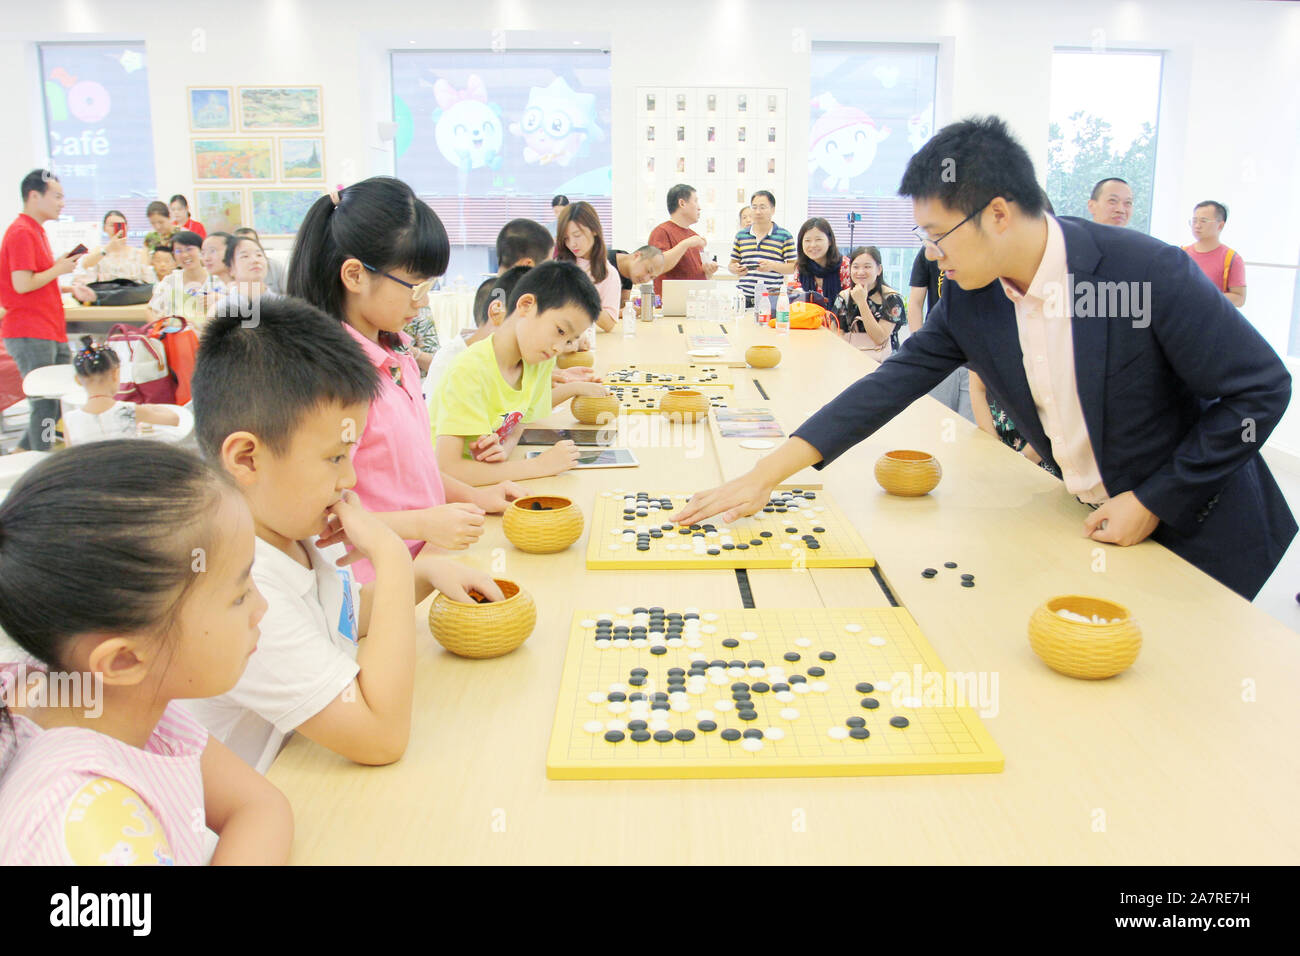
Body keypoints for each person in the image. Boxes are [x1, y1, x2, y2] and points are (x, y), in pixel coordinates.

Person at [674, 115, 1295, 601]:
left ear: (998, 213)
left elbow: (1261, 388)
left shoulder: (1142, 270)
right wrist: (763, 477)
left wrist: (1156, 498)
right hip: (1095, 525)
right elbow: (886, 387)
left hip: (1203, 528)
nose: (931, 255)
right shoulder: (973, 300)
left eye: (937, 236)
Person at [186, 299, 503, 773]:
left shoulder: (289, 524)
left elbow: (344, 617)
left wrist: (424, 572)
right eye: (335, 458)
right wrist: (394, 558)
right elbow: (380, 738)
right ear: (248, 458)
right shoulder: (237, 589)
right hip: (270, 802)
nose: (350, 479)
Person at [0, 442, 293, 864]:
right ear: (122, 660)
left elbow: (259, 806)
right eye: (239, 594)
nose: (260, 607)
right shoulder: (83, 824)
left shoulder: (115, 697)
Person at [286, 177, 526, 580]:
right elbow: (320, 520)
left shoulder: (397, 357)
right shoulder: (330, 381)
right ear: (355, 275)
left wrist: (475, 496)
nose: (425, 301)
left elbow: (414, 473)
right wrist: (423, 523)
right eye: (416, 287)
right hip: (378, 588)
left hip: (429, 560)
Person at [431, 260, 607, 485]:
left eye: (569, 340)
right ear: (526, 305)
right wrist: (539, 466)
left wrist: (505, 448)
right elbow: (448, 470)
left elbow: (520, 420)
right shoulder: (470, 370)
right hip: (447, 494)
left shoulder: (538, 360)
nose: (559, 348)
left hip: (486, 483)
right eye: (560, 331)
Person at [0, 170, 82, 452]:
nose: (62, 203)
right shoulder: (22, 232)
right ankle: (39, 460)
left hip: (47, 328)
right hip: (30, 330)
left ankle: (25, 453)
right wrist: (59, 269)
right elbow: (21, 284)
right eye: (57, 196)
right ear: (34, 196)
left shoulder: (35, 231)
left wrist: (66, 285)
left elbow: (34, 283)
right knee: (45, 404)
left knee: (55, 400)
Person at [62, 336, 179, 445]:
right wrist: (150, 407)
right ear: (116, 374)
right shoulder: (129, 411)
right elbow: (174, 419)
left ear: (77, 380)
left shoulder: (69, 420)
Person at [907, 247, 973, 422]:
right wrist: (920, 350)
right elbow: (915, 303)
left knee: (971, 426)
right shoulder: (928, 252)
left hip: (977, 356)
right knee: (938, 421)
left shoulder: (982, 250)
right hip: (940, 351)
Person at [554, 201, 620, 348]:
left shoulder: (609, 274)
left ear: (594, 230)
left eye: (577, 235)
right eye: (566, 238)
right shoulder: (559, 266)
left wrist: (583, 297)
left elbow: (609, 324)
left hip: (586, 345)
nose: (572, 244)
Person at [829, 246, 906, 359]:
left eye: (867, 267)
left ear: (879, 269)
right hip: (850, 359)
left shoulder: (892, 299)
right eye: (855, 267)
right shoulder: (844, 297)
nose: (860, 272)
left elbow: (879, 338)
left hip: (885, 362)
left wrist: (862, 302)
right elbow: (836, 334)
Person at [648, 184, 719, 296]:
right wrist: (686, 244)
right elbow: (659, 267)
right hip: (670, 306)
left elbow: (695, 275)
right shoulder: (661, 231)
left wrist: (708, 272)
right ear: (682, 203)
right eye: (695, 201)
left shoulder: (694, 236)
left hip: (696, 303)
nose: (699, 207)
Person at [69, 210, 154, 303]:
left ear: (127, 227)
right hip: (106, 299)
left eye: (120, 225)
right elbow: (86, 265)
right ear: (104, 228)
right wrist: (108, 248)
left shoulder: (138, 253)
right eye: (111, 225)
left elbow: (148, 280)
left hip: (133, 299)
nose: (116, 228)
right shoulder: (99, 251)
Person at [729, 190, 795, 304]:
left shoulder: (784, 236)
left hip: (772, 298)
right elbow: (732, 264)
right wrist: (735, 268)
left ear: (773, 210)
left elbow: (793, 267)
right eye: (754, 207)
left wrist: (773, 266)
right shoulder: (741, 236)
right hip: (744, 298)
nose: (758, 212)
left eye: (763, 207)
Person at [1184, 201, 1246, 307]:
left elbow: (1239, 299)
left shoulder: (1231, 258)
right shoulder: (1182, 254)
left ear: (1220, 225)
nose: (1197, 226)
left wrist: (1206, 297)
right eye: (1194, 221)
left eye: (1203, 221)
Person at [147, 230, 208, 325]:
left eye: (189, 249)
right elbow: (151, 310)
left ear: (201, 250)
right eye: (179, 251)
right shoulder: (170, 281)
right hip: (177, 336)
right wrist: (160, 329)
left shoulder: (215, 279)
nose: (184, 255)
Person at [794, 217, 849, 309]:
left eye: (818, 239)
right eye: (807, 240)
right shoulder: (801, 267)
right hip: (810, 320)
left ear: (830, 241)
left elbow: (850, 303)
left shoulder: (844, 266)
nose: (813, 245)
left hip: (839, 320)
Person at [233, 227, 286, 293]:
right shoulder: (232, 268)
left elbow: (289, 294)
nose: (248, 245)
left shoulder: (274, 266)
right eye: (245, 256)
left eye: (252, 241)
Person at [200, 231, 233, 302]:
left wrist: (224, 300)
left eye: (212, 251)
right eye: (203, 253)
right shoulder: (212, 282)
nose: (206, 258)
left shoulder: (246, 282)